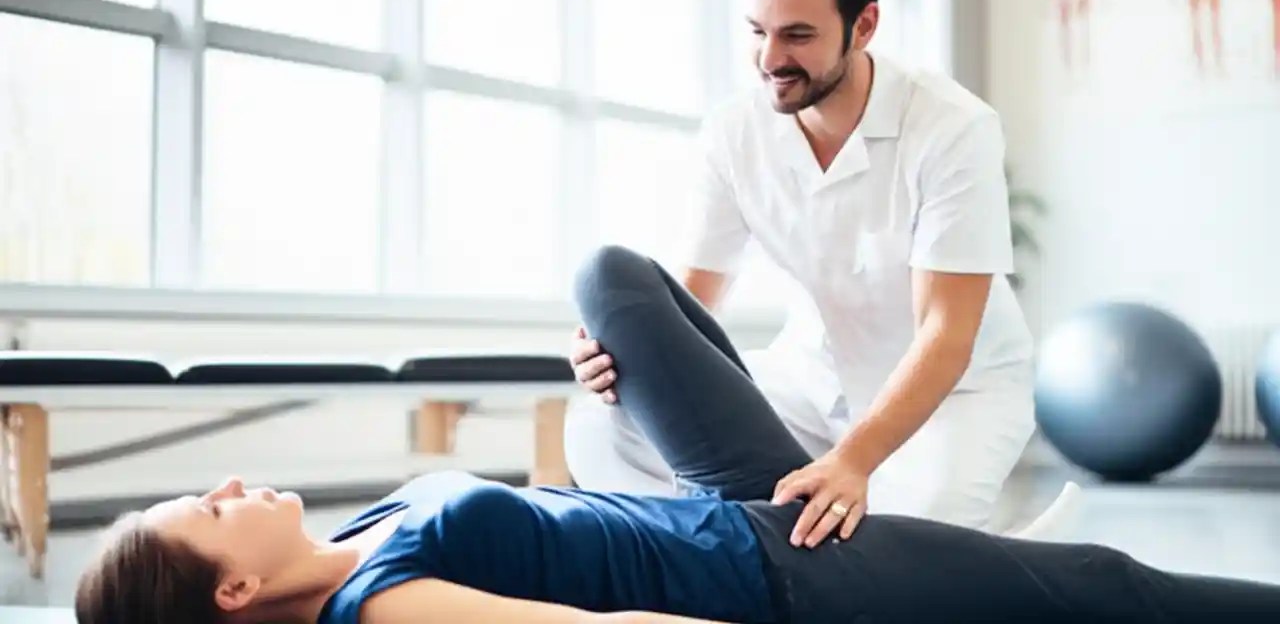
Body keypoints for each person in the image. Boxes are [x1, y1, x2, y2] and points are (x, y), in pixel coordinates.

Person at [76, 246, 1280, 624]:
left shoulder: (349, 540)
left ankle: (871, 491)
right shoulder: (378, 604)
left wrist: (621, 393)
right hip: (782, 567)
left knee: (609, 282)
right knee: (1102, 592)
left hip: (731, 504)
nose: (229, 484)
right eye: (207, 507)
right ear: (230, 590)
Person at [568, 0, 1037, 548]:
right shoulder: (735, 131)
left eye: (797, 35)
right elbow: (692, 299)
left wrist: (854, 461)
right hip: (809, 381)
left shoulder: (955, 128)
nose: (769, 59)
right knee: (598, 426)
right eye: (757, 31)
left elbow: (946, 333)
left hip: (955, 393)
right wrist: (621, 353)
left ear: (863, 26)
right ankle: (709, 562)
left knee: (900, 543)